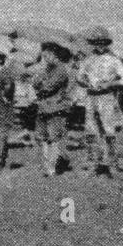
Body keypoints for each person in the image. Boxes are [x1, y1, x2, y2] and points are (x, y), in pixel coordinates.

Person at [75, 27, 123, 177]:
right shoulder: (87, 59)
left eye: (103, 42)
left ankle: (111, 164)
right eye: (96, 42)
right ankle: (95, 163)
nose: (100, 45)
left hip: (106, 97)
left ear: (107, 43)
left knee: (108, 129)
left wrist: (110, 84)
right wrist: (85, 82)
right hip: (91, 96)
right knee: (91, 129)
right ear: (93, 43)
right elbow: (79, 77)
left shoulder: (114, 60)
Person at [32, 42, 73, 176]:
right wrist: (39, 83)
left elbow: (47, 87)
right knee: (42, 138)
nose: (45, 59)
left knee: (53, 139)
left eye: (46, 56)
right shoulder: (46, 69)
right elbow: (35, 83)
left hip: (56, 108)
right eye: (43, 56)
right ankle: (47, 167)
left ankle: (52, 168)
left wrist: (40, 84)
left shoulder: (61, 69)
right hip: (43, 108)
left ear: (53, 54)